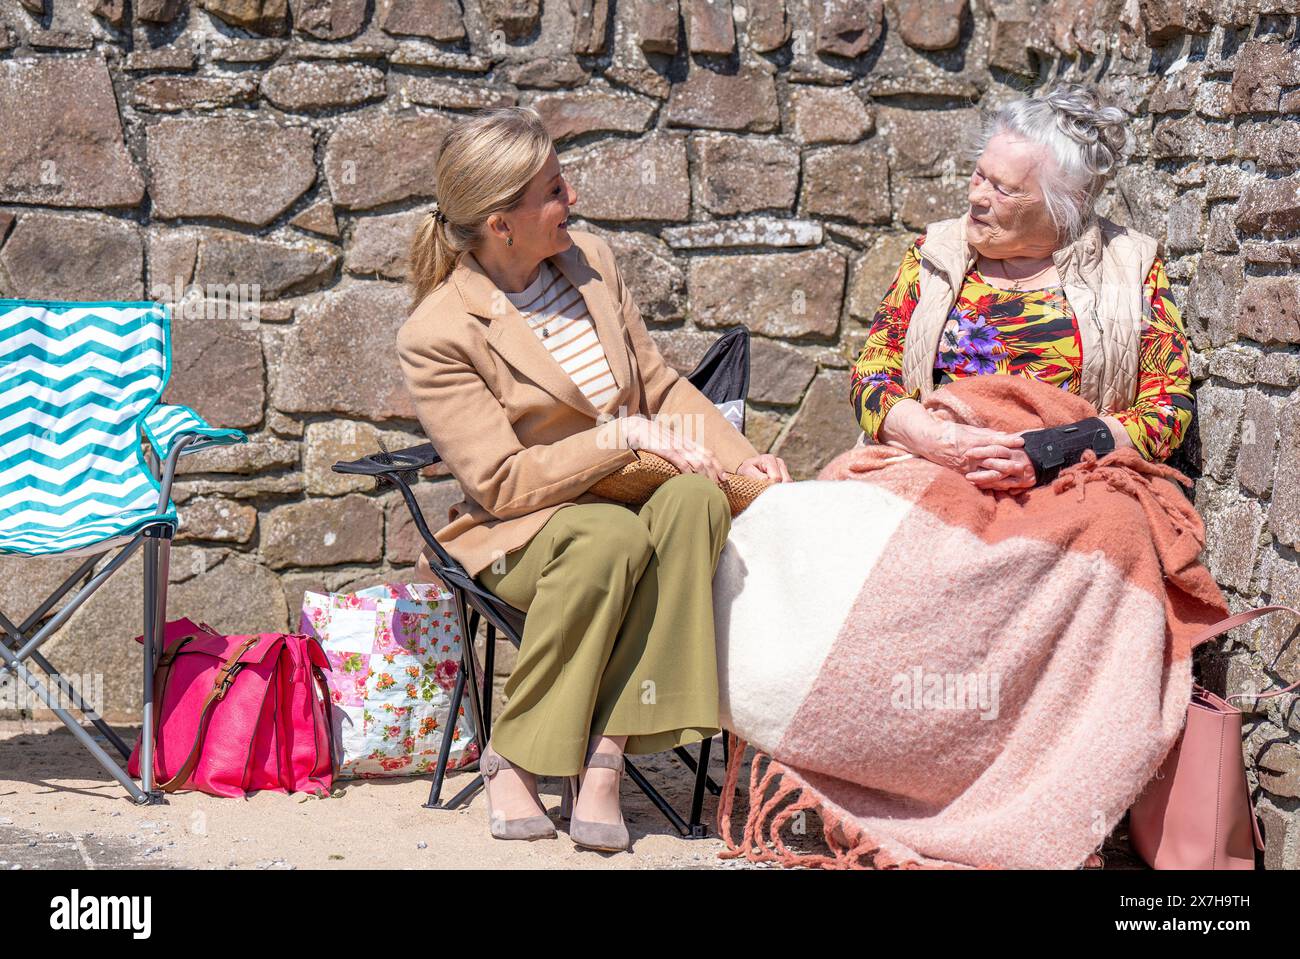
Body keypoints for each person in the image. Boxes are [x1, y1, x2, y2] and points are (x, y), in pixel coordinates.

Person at [397, 106, 792, 852]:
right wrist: (616, 439)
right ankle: (515, 752)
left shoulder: (592, 264)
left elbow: (661, 384)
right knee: (607, 537)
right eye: (552, 189)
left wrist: (742, 459)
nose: (570, 199)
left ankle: (605, 753)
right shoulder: (438, 332)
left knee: (696, 496)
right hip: (522, 533)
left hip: (633, 497)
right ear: (500, 222)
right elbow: (501, 483)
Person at [850, 82, 1193, 489]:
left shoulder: (1130, 269)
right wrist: (938, 440)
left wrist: (1047, 455)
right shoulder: (934, 256)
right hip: (931, 463)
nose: (977, 196)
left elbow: (1167, 408)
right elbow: (872, 373)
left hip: (1070, 481)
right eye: (979, 174)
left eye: (1004, 189)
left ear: (1067, 203)